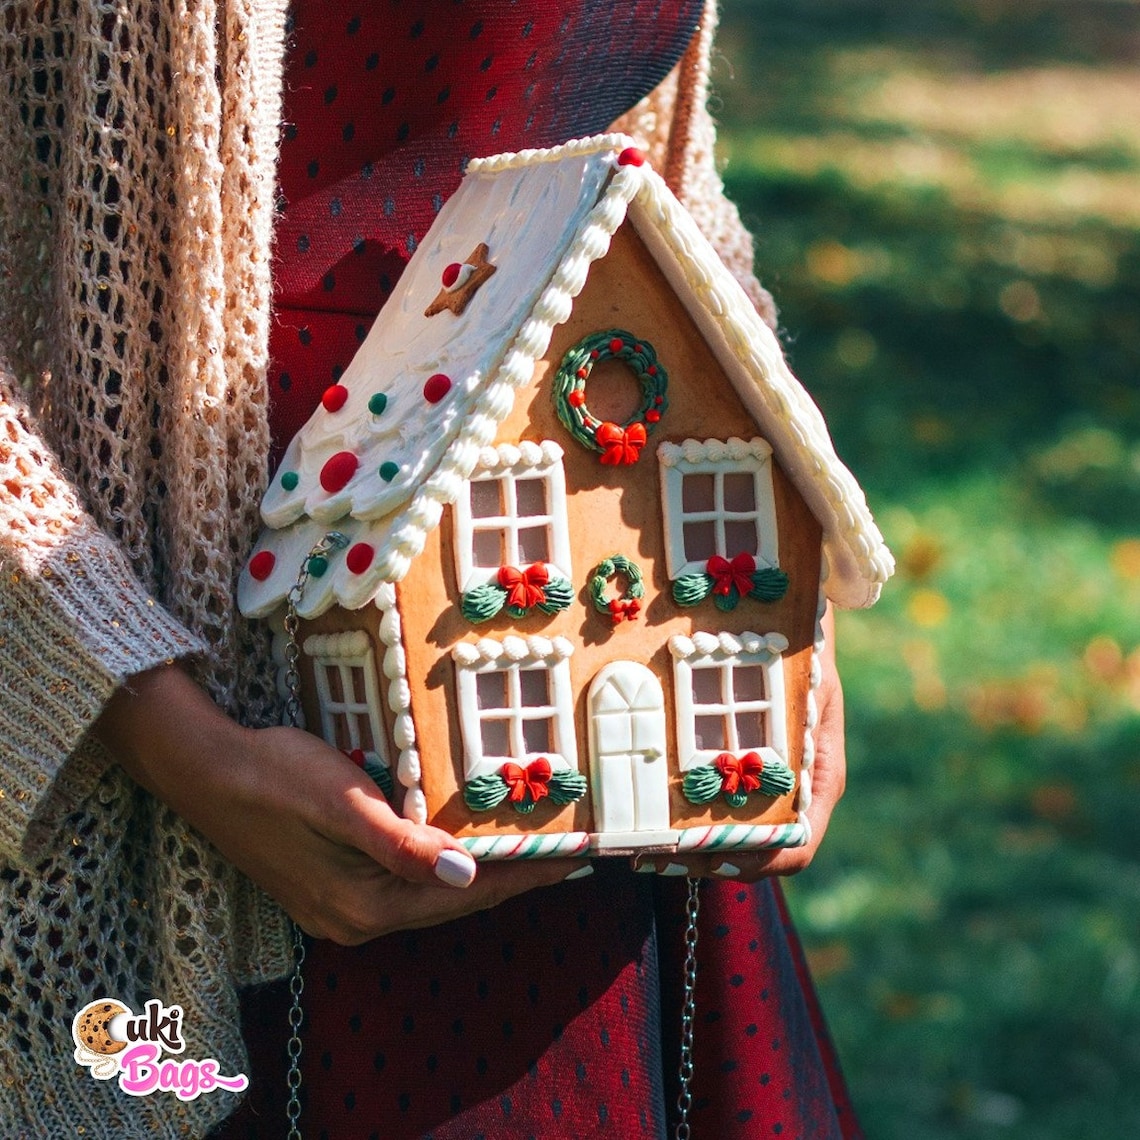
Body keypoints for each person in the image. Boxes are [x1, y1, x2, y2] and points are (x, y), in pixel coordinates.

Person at [0, 2, 860, 1136]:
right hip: (184, 738)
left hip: (590, 575)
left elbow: (646, 161)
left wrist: (772, 543)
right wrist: (158, 723)